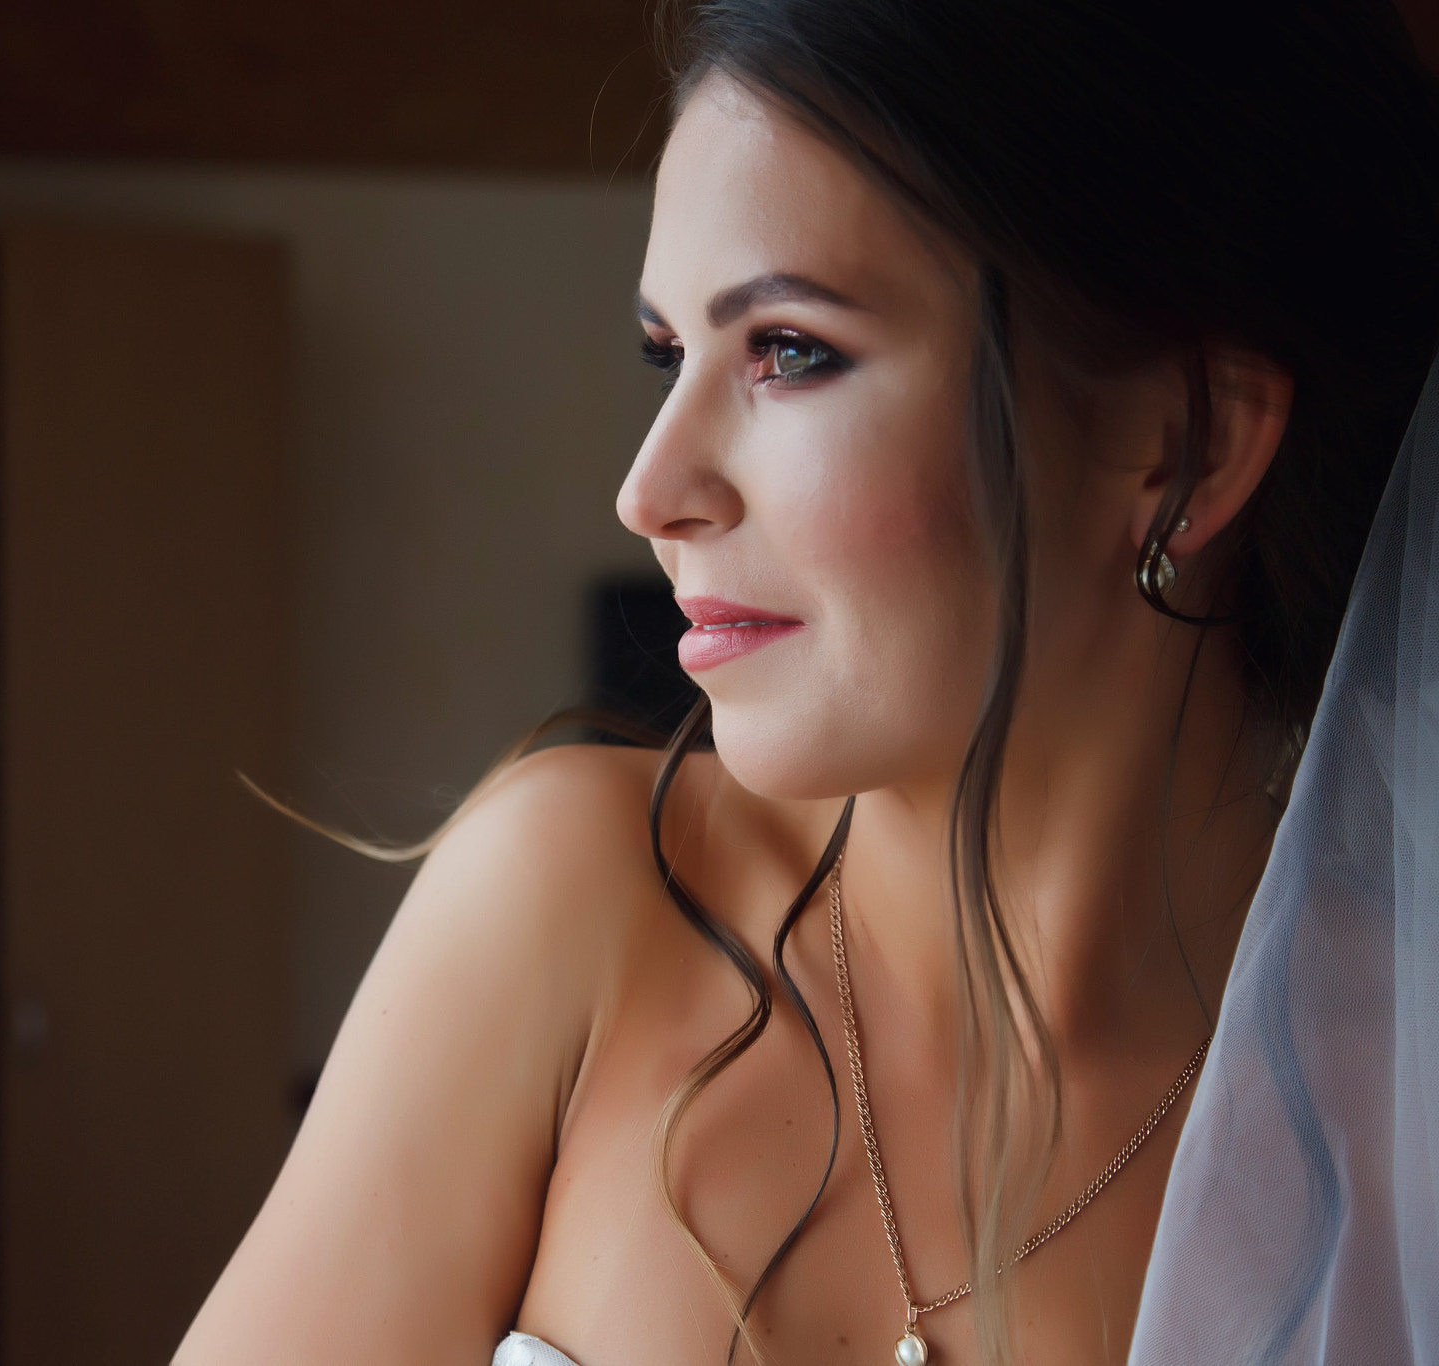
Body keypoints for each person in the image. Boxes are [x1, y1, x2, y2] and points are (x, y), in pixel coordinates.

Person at [173, 2, 1439, 1363]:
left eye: (789, 350)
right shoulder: (571, 905)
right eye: (668, 355)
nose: (650, 490)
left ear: (1180, 442)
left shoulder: (1396, 1102)